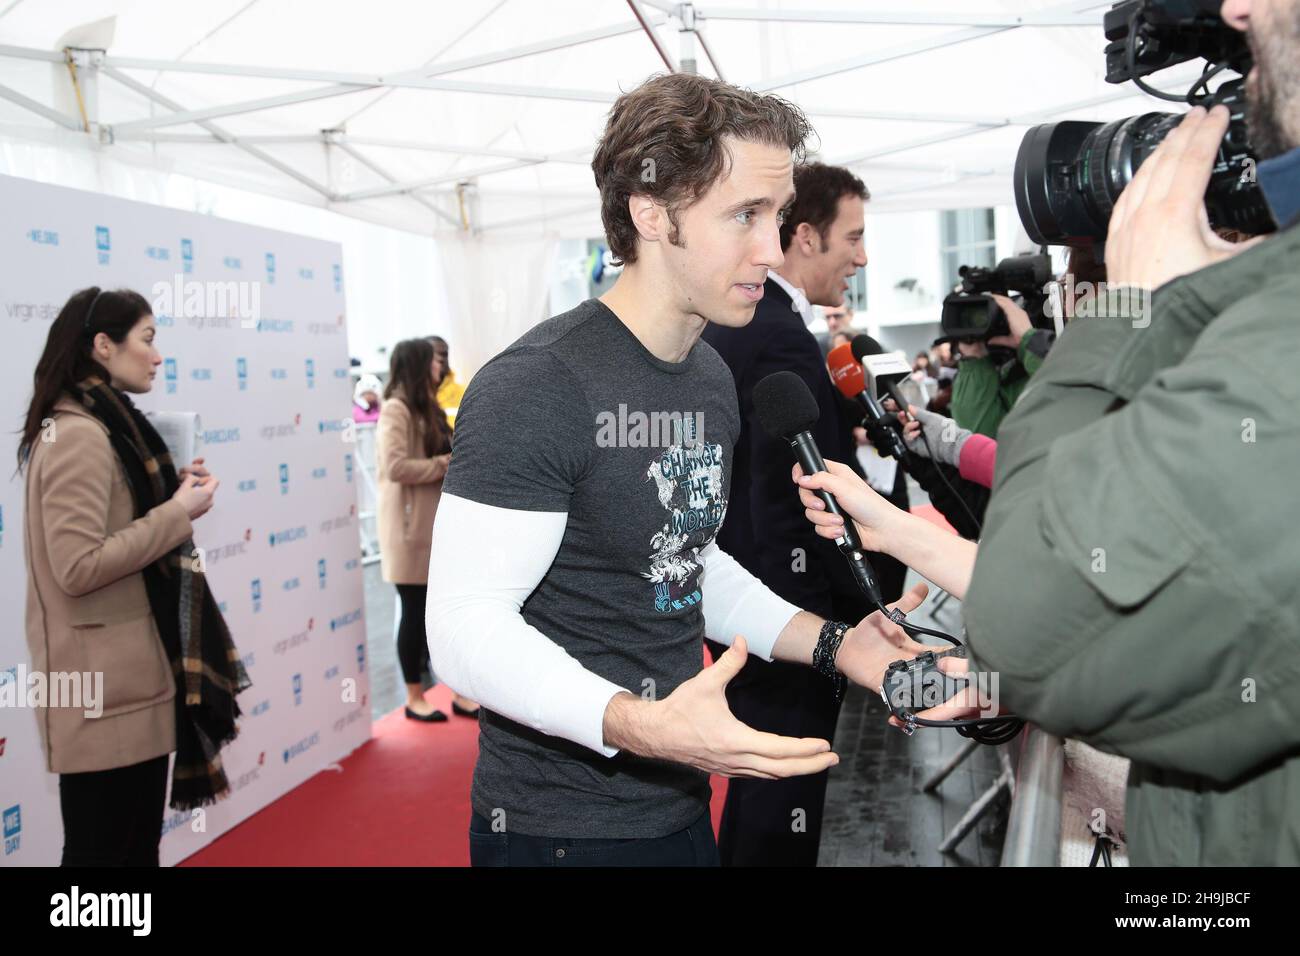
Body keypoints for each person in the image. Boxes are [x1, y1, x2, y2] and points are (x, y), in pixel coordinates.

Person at [792, 0, 1300, 866]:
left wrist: (1130, 314)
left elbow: (1038, 613)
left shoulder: (1263, 361)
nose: (1237, 9)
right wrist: (896, 527)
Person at [427, 71, 935, 867]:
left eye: (778, 216)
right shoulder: (537, 384)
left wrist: (840, 645)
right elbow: (462, 630)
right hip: (559, 833)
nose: (772, 248)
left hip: (678, 805)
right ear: (652, 212)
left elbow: (685, 563)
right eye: (745, 215)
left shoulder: (705, 375)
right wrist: (642, 723)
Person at [701, 161, 899, 867]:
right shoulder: (777, 332)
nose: (863, 256)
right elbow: (790, 503)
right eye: (855, 236)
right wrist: (845, 618)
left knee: (760, 783)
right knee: (781, 793)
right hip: (783, 611)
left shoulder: (750, 325)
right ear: (807, 236)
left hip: (746, 604)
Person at [19, 286, 248, 866]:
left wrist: (171, 499)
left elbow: (118, 528)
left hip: (125, 684)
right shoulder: (78, 434)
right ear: (103, 345)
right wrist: (178, 514)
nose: (156, 354)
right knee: (104, 857)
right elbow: (76, 567)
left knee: (128, 852)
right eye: (146, 339)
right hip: (105, 693)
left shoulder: (106, 426)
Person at [377, 338, 479, 721]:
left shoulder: (426, 407)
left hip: (429, 528)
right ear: (418, 366)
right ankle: (414, 697)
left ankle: (456, 692)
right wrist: (443, 464)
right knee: (415, 611)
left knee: (439, 613)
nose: (441, 368)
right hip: (408, 532)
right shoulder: (396, 410)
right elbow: (395, 466)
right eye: (434, 362)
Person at [427, 335, 466, 427]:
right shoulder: (416, 399)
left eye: (445, 354)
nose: (442, 359)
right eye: (435, 355)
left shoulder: (464, 393)